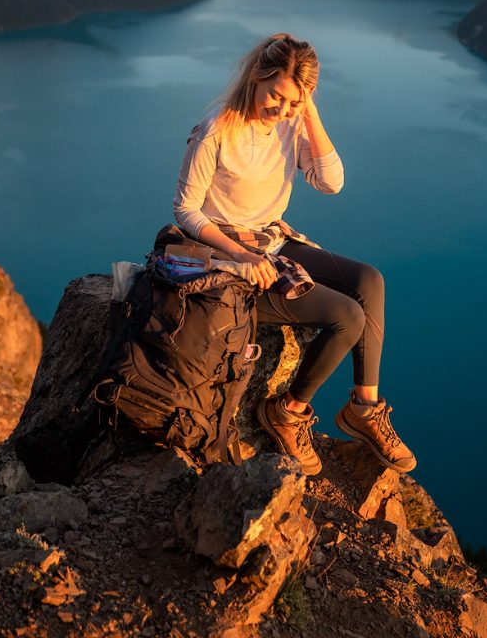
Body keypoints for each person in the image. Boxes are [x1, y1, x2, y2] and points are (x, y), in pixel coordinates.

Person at [173, 33, 416, 476]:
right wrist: (242, 257)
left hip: (272, 241)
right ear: (256, 78)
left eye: (294, 102)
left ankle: (364, 407)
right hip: (227, 257)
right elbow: (186, 210)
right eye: (277, 96)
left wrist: (310, 116)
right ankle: (287, 411)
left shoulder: (289, 124)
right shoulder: (216, 130)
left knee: (371, 281)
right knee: (347, 315)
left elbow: (331, 182)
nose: (282, 110)